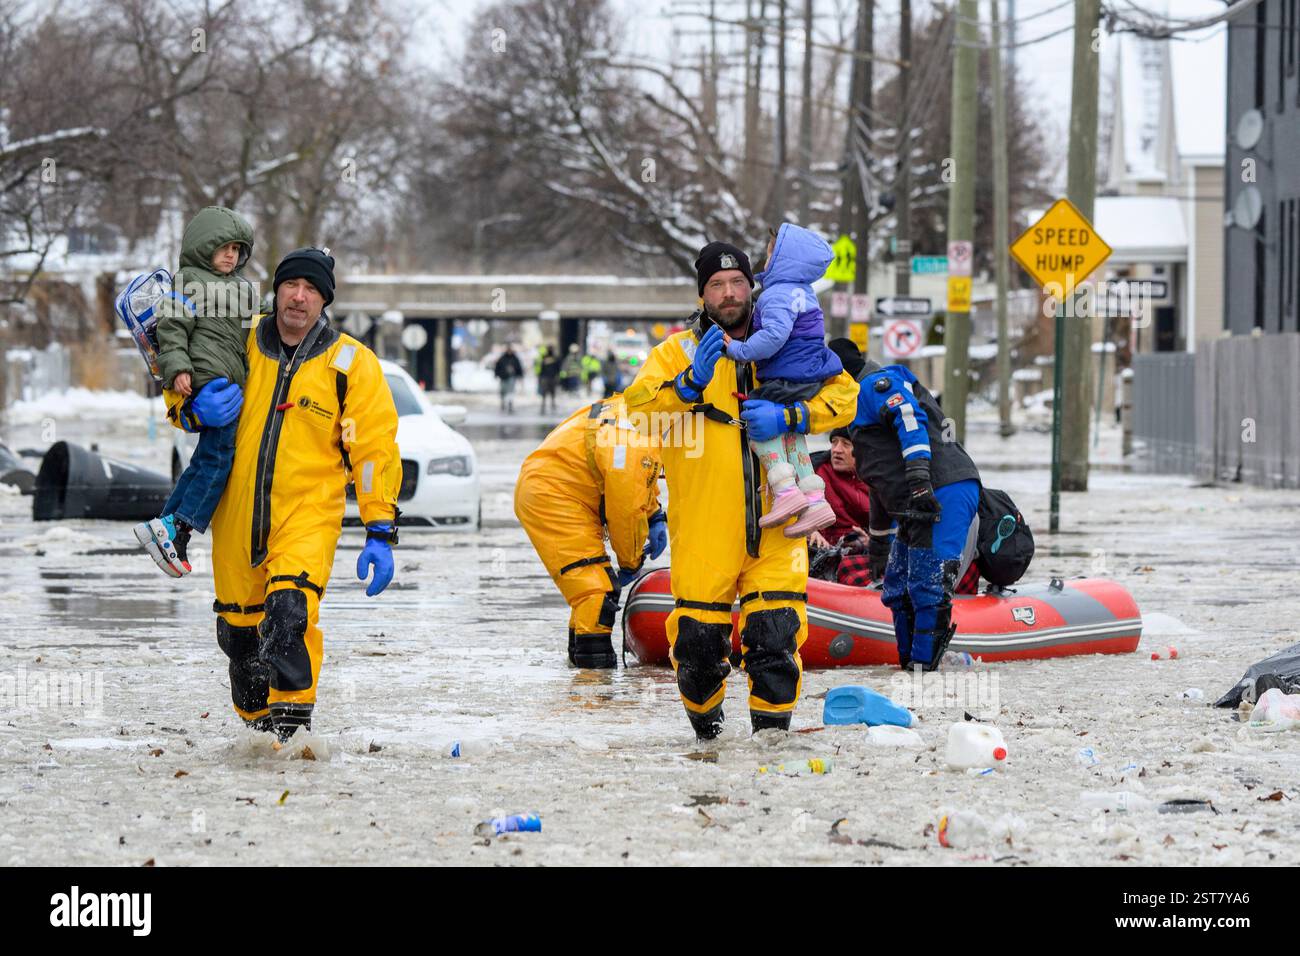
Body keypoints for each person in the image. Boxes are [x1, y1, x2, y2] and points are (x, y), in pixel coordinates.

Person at [163, 248, 403, 741]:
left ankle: (295, 738)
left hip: (307, 515)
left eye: (312, 289)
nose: (299, 296)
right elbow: (182, 376)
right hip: (235, 517)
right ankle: (258, 738)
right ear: (276, 290)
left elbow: (374, 450)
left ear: (324, 300)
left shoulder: (351, 364)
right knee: (239, 635)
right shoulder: (240, 340)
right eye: (291, 285)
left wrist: (379, 527)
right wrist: (191, 409)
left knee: (289, 614)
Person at [623, 240, 859, 740]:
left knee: (776, 639)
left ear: (752, 286)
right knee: (699, 648)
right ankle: (708, 742)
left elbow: (844, 397)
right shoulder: (675, 353)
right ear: (702, 294)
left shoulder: (790, 339)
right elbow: (637, 413)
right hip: (705, 534)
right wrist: (688, 386)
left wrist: (794, 415)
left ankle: (770, 748)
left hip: (779, 527)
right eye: (716, 285)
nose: (728, 293)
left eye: (737, 283)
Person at [134, 206, 256, 577]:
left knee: (205, 460)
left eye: (237, 249)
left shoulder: (240, 288)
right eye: (223, 248)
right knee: (218, 462)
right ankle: (182, 527)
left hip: (228, 384)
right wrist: (179, 370)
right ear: (203, 248)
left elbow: (260, 313)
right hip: (208, 381)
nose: (231, 255)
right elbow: (172, 329)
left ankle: (166, 525)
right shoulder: (187, 283)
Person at [849, 354, 982, 671]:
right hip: (914, 498)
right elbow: (880, 479)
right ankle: (908, 663)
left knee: (928, 581)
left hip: (943, 488)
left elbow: (909, 418)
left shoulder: (873, 386)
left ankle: (924, 668)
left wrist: (921, 477)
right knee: (896, 586)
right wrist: (879, 543)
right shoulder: (853, 411)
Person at [515, 396, 666, 668]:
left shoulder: (636, 413)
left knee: (592, 592)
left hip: (556, 488)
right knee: (596, 592)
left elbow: (635, 479)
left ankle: (582, 678)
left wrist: (655, 513)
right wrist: (631, 560)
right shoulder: (636, 437)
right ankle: (593, 695)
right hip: (554, 495)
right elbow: (626, 509)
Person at [724, 224, 842, 538]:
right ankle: (816, 501)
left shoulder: (776, 294)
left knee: (759, 427)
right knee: (792, 438)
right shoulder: (805, 292)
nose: (766, 259)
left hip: (785, 374)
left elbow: (775, 336)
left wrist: (741, 349)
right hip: (808, 376)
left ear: (787, 258)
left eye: (771, 253)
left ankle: (786, 491)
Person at [494, 343, 523, 413]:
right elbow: (497, 366)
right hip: (503, 377)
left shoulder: (515, 358)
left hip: (511, 377)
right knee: (503, 391)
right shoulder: (502, 358)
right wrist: (496, 374)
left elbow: (519, 367)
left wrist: (520, 375)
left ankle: (510, 405)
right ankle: (503, 403)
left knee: (510, 391)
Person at [536, 344, 561, 413]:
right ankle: (544, 406)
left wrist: (557, 376)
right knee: (545, 393)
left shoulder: (555, 358)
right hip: (546, 377)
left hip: (551, 377)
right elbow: (541, 368)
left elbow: (558, 368)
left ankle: (552, 405)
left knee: (552, 392)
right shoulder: (544, 357)